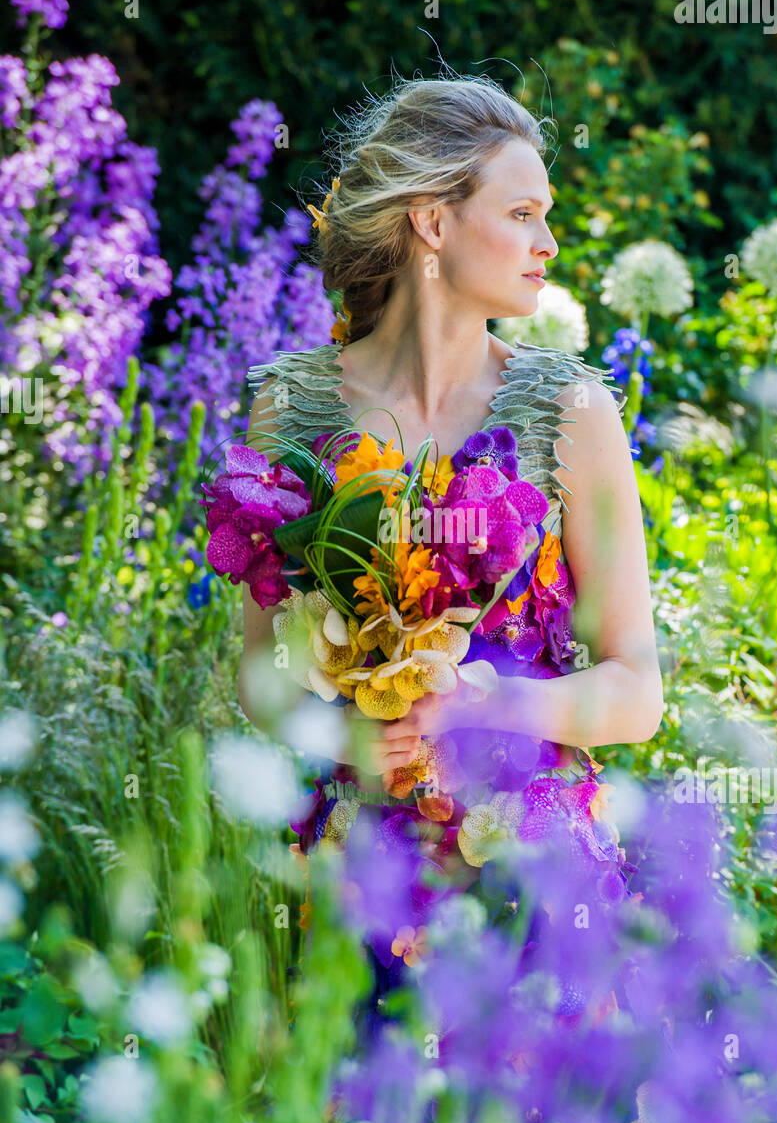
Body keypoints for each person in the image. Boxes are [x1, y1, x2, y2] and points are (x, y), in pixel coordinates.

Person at [239, 72, 664, 1026]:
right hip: (359, 881)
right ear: (433, 223)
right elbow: (258, 669)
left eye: (547, 214)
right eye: (521, 212)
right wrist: (352, 734)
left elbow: (638, 690)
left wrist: (491, 706)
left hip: (538, 880)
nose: (548, 243)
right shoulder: (295, 411)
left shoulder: (573, 413)